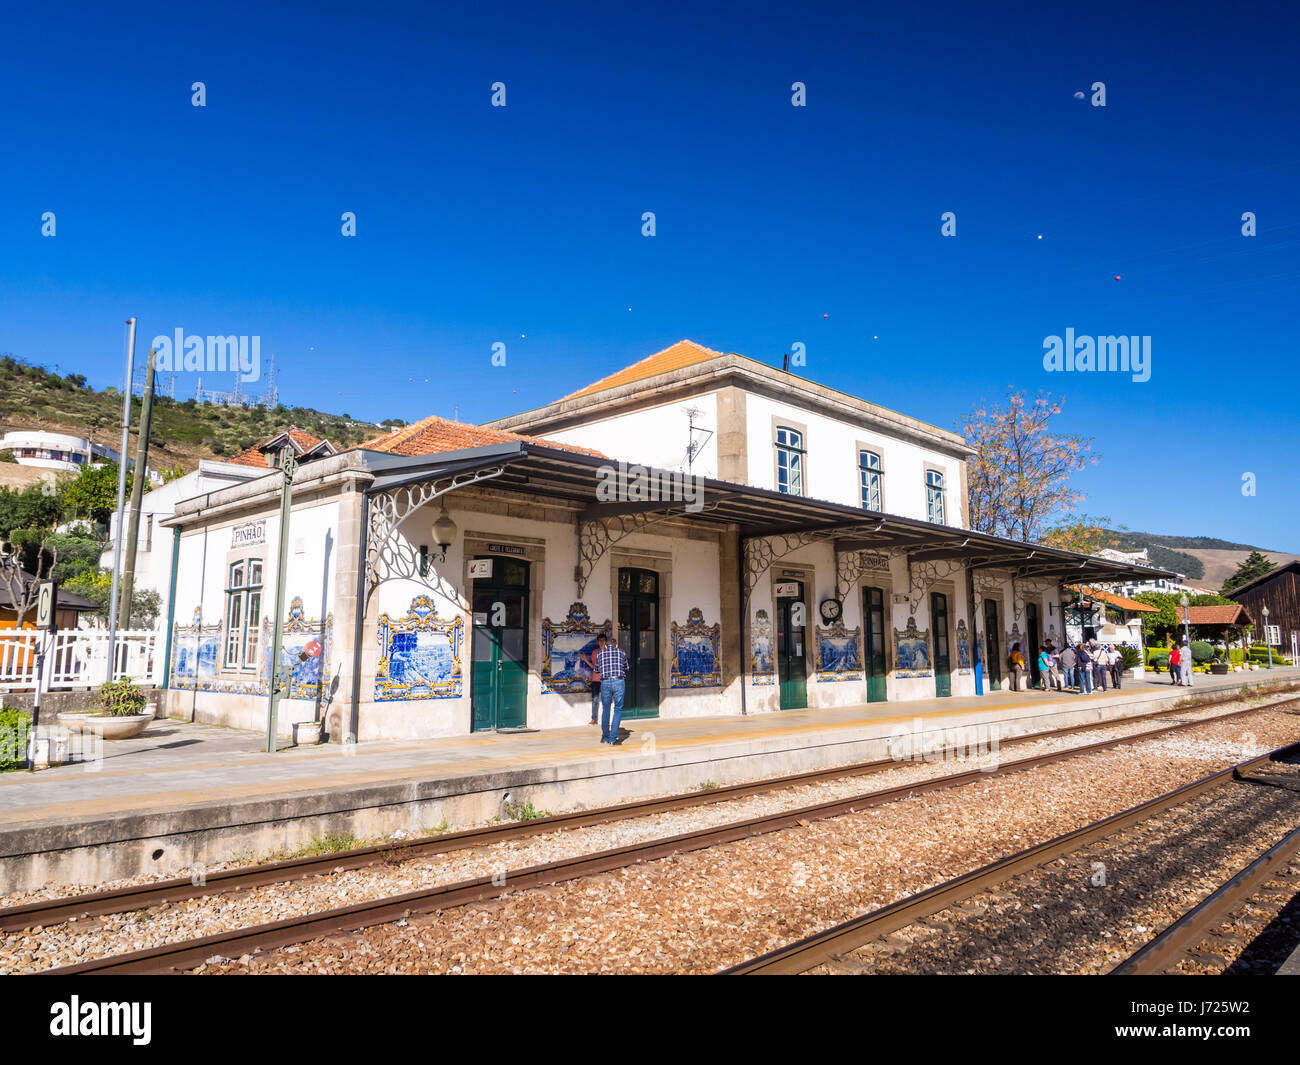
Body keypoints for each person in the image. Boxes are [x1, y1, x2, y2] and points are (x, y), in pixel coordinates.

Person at [594, 632, 630, 745]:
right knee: (618, 709)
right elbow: (626, 667)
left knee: (606, 709)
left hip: (605, 682)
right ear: (616, 645)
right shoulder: (621, 652)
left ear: (606, 645)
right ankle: (613, 739)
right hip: (618, 681)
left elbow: (596, 670)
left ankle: (605, 737)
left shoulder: (600, 654)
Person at [577, 634, 605, 726]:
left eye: (603, 640)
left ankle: (606, 719)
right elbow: (594, 667)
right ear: (598, 642)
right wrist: (585, 659)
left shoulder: (609, 652)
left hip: (606, 680)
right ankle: (594, 719)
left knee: (606, 700)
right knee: (595, 699)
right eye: (600, 640)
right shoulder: (595, 652)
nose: (602, 642)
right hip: (596, 679)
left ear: (606, 641)